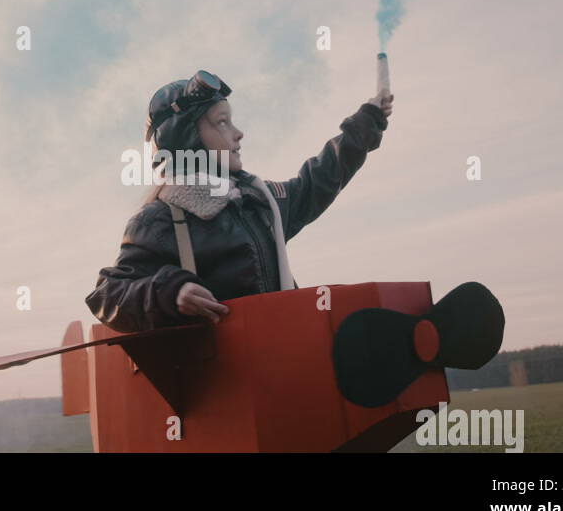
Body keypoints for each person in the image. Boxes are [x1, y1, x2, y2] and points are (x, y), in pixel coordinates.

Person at [84, 69, 393, 333]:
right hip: (228, 385)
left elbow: (321, 178)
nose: (238, 133)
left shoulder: (260, 203)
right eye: (222, 123)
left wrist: (367, 120)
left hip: (286, 358)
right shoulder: (159, 218)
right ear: (186, 137)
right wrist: (170, 292)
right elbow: (108, 294)